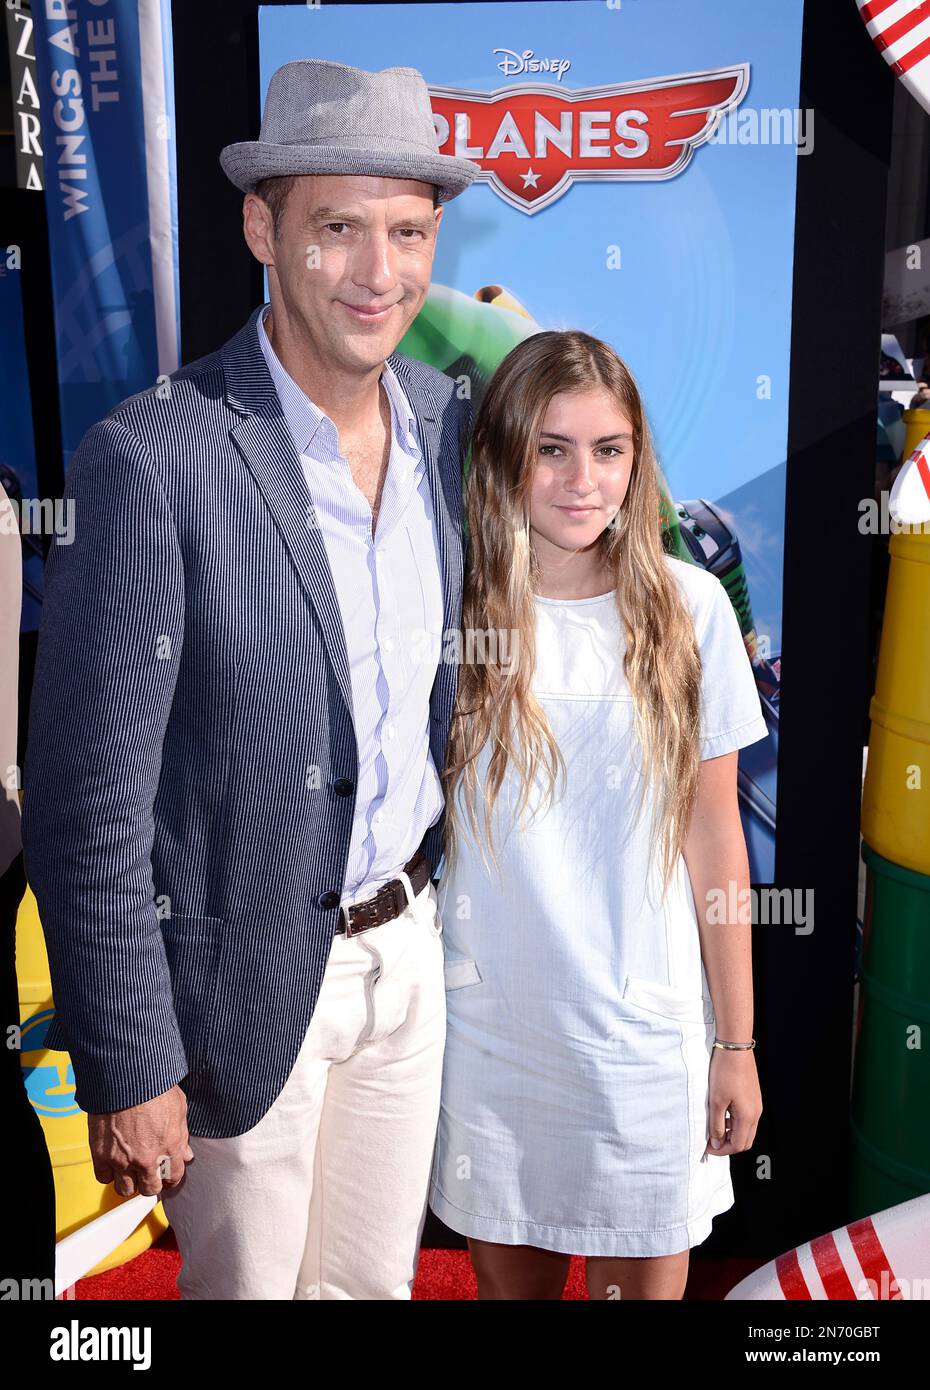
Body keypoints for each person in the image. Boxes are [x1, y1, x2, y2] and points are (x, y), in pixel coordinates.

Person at [21, 59, 480, 1300]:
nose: (378, 273)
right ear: (263, 227)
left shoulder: (447, 423)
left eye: (407, 231)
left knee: (373, 1292)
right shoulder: (151, 460)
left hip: (407, 965)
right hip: (236, 991)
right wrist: (126, 1060)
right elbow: (85, 797)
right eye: (339, 228)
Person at [428, 330, 768, 1300]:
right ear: (504, 455)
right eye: (552, 447)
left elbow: (718, 843)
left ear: (637, 458)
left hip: (646, 1043)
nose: (585, 478)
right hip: (493, 1036)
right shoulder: (455, 611)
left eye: (609, 448)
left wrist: (735, 1044)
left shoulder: (690, 608)